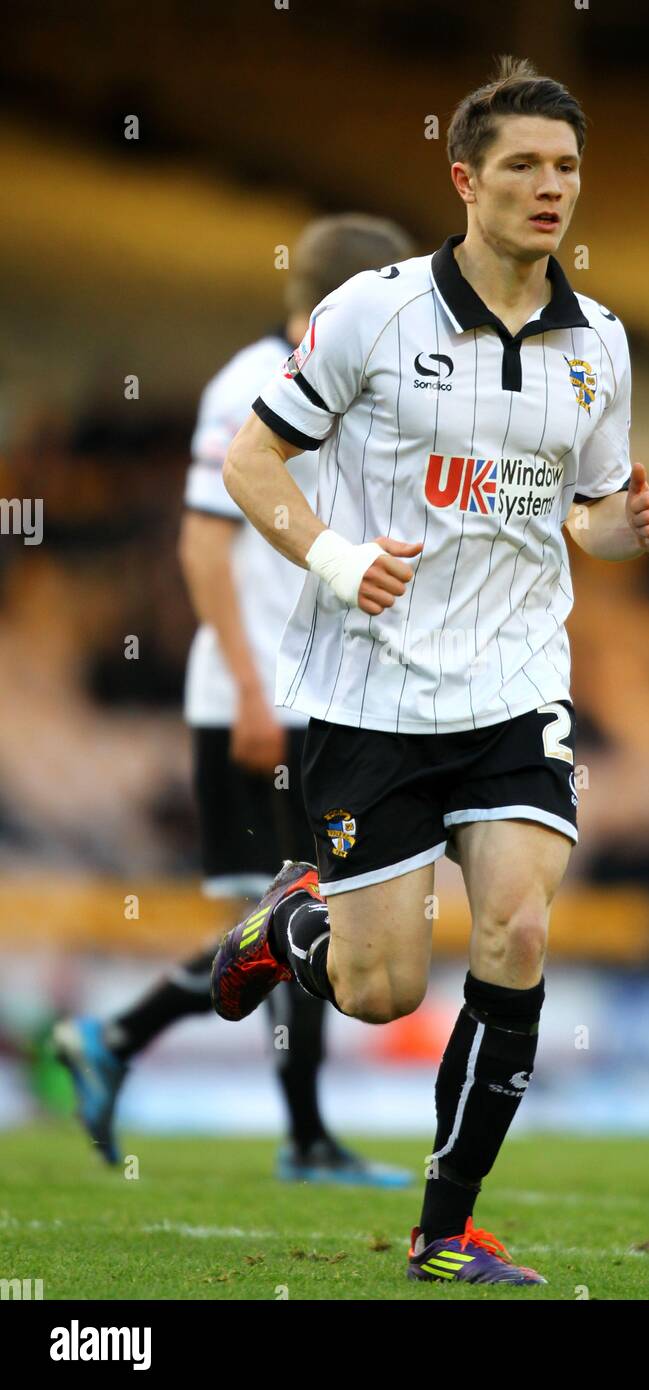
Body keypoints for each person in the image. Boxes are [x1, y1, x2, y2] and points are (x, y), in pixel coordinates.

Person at [212, 56, 649, 1284]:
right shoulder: (373, 313)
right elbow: (251, 466)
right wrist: (332, 554)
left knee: (518, 929)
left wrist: (634, 526)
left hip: (517, 685)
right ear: (464, 178)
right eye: (523, 164)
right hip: (368, 691)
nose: (549, 187)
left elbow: (589, 514)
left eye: (567, 166)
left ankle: (444, 1227)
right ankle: (293, 923)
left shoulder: (601, 346)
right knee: (377, 989)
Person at [54, 214, 415, 1188]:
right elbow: (202, 545)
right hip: (259, 703)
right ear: (344, 301)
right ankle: (141, 1050)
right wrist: (253, 692)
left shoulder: (342, 391)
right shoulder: (250, 384)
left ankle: (135, 1049)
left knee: (288, 929)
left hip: (314, 698)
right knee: (296, 921)